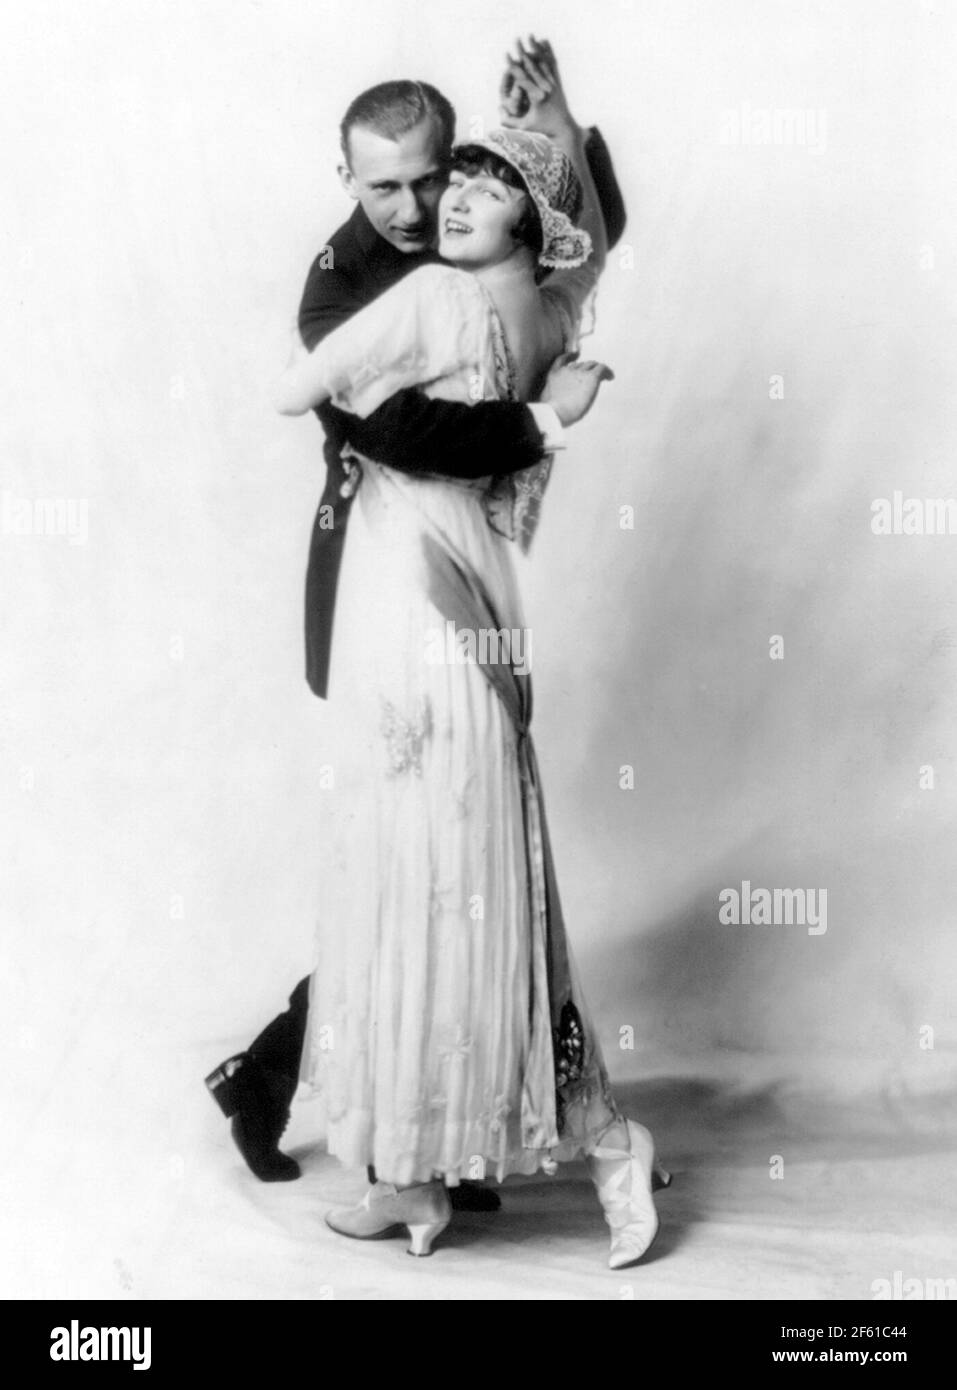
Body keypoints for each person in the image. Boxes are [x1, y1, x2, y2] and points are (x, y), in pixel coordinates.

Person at [205, 39, 629, 1220]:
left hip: (469, 571)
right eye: (378, 186)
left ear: (455, 165)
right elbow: (410, 441)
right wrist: (549, 417)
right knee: (420, 851)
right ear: (343, 174)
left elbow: (585, 239)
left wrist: (558, 116)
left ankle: (428, 1124)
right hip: (391, 583)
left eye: (432, 179)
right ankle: (332, 1094)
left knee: (447, 851)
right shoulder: (339, 293)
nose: (409, 206)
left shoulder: (464, 237)